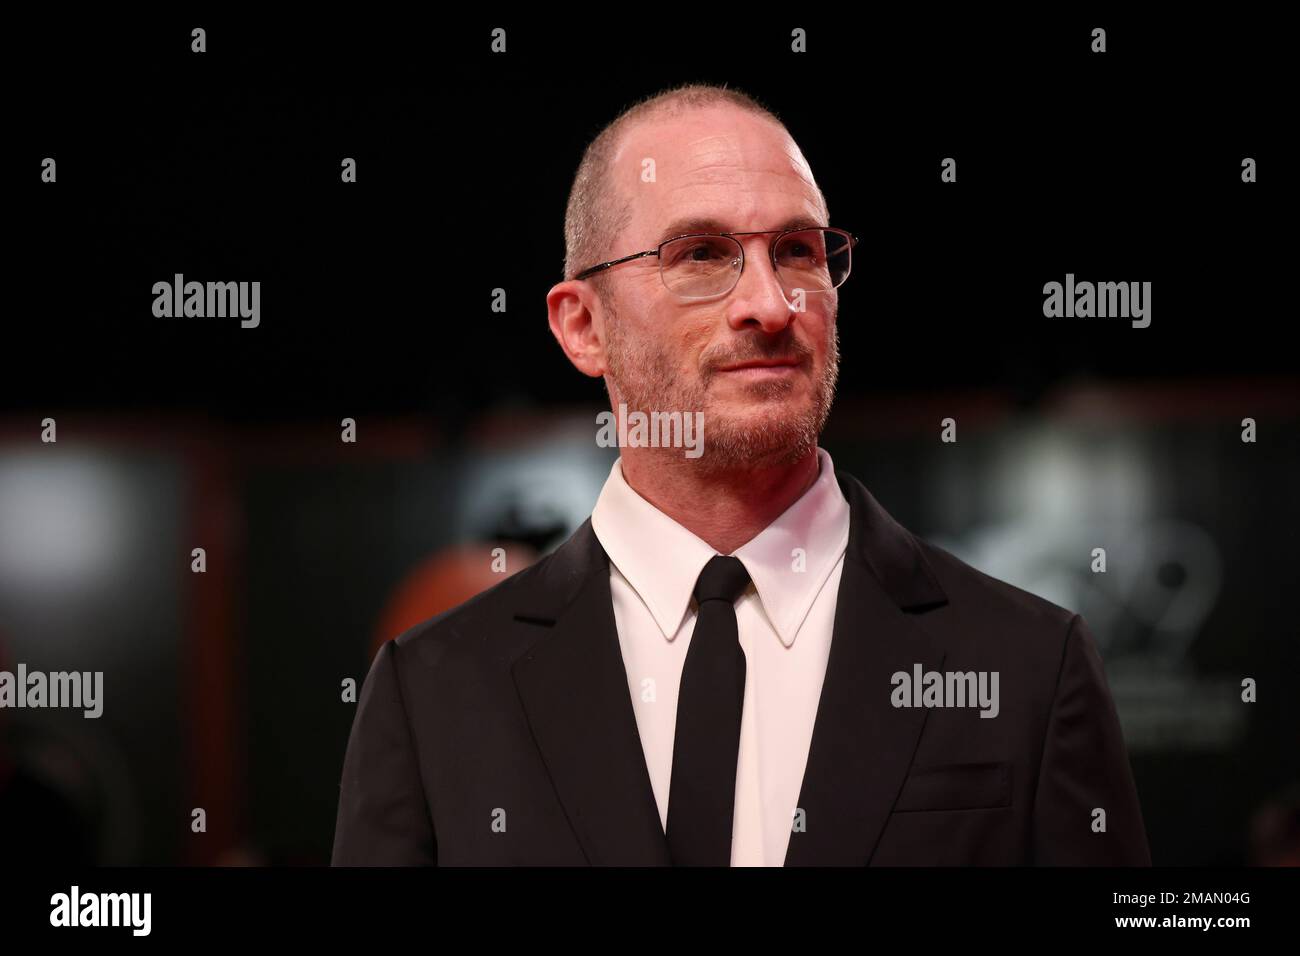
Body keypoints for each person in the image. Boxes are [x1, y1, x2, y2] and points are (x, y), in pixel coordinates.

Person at [331, 83, 1151, 866]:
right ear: (583, 326)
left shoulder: (1028, 663)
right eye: (701, 254)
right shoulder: (433, 690)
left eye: (797, 251)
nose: (771, 304)